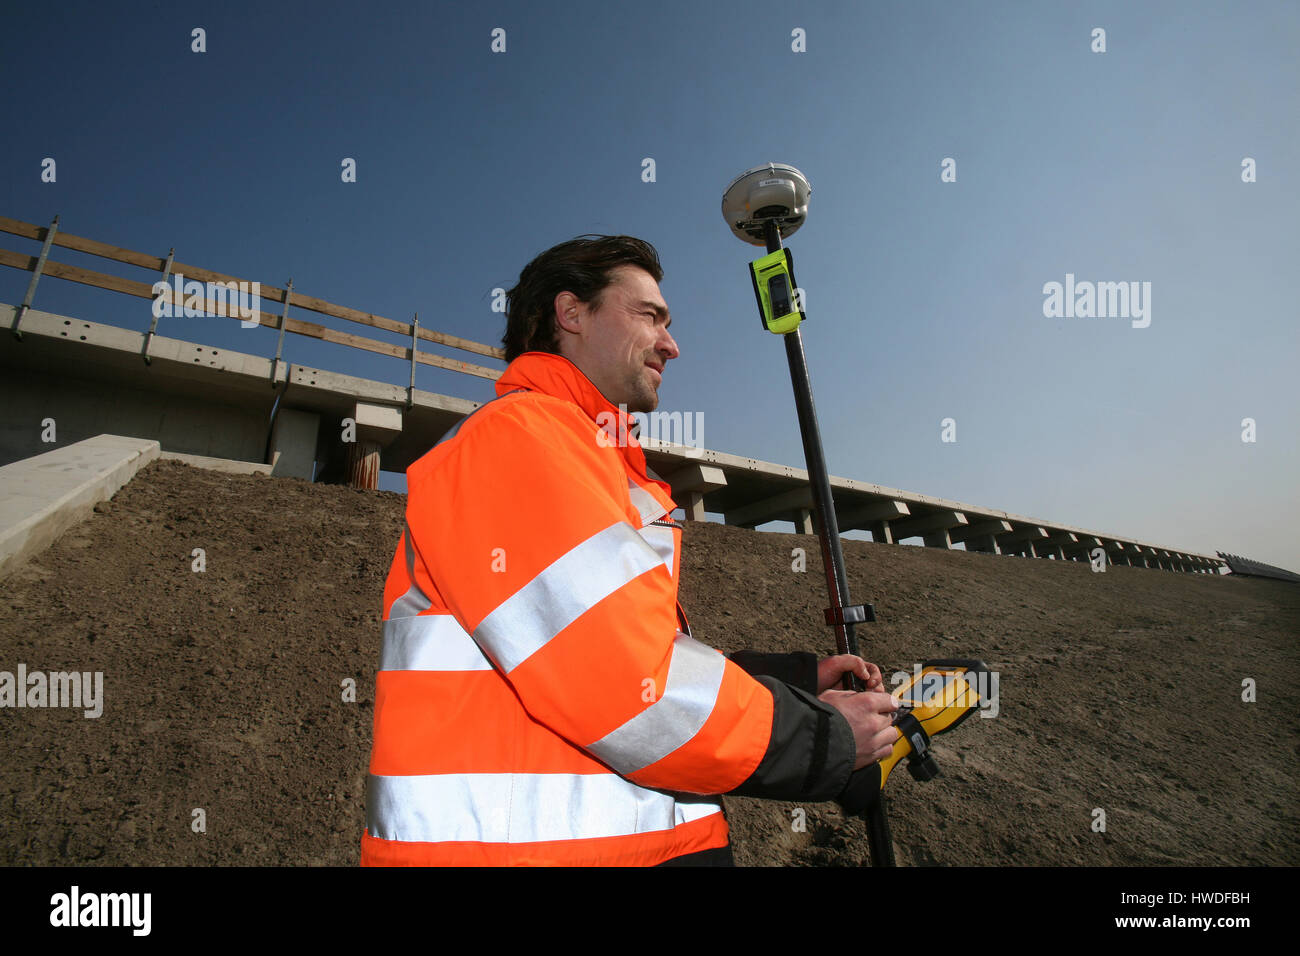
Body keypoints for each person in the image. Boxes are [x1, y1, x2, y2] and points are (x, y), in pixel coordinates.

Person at [361, 235, 900, 866]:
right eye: (650, 315)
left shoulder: (590, 458)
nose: (671, 345)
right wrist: (825, 740)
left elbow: (615, 648)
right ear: (572, 314)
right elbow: (630, 687)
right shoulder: (522, 440)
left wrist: (793, 679)